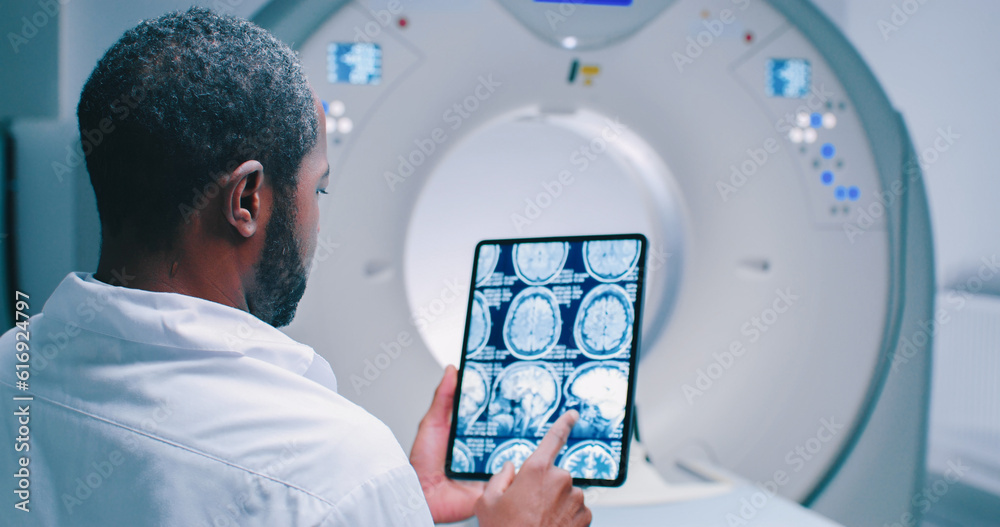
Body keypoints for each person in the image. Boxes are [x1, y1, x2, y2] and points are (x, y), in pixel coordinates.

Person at [0, 8, 591, 526]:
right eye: (320, 189)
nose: (316, 220)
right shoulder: (337, 468)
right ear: (248, 200)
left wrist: (401, 507)